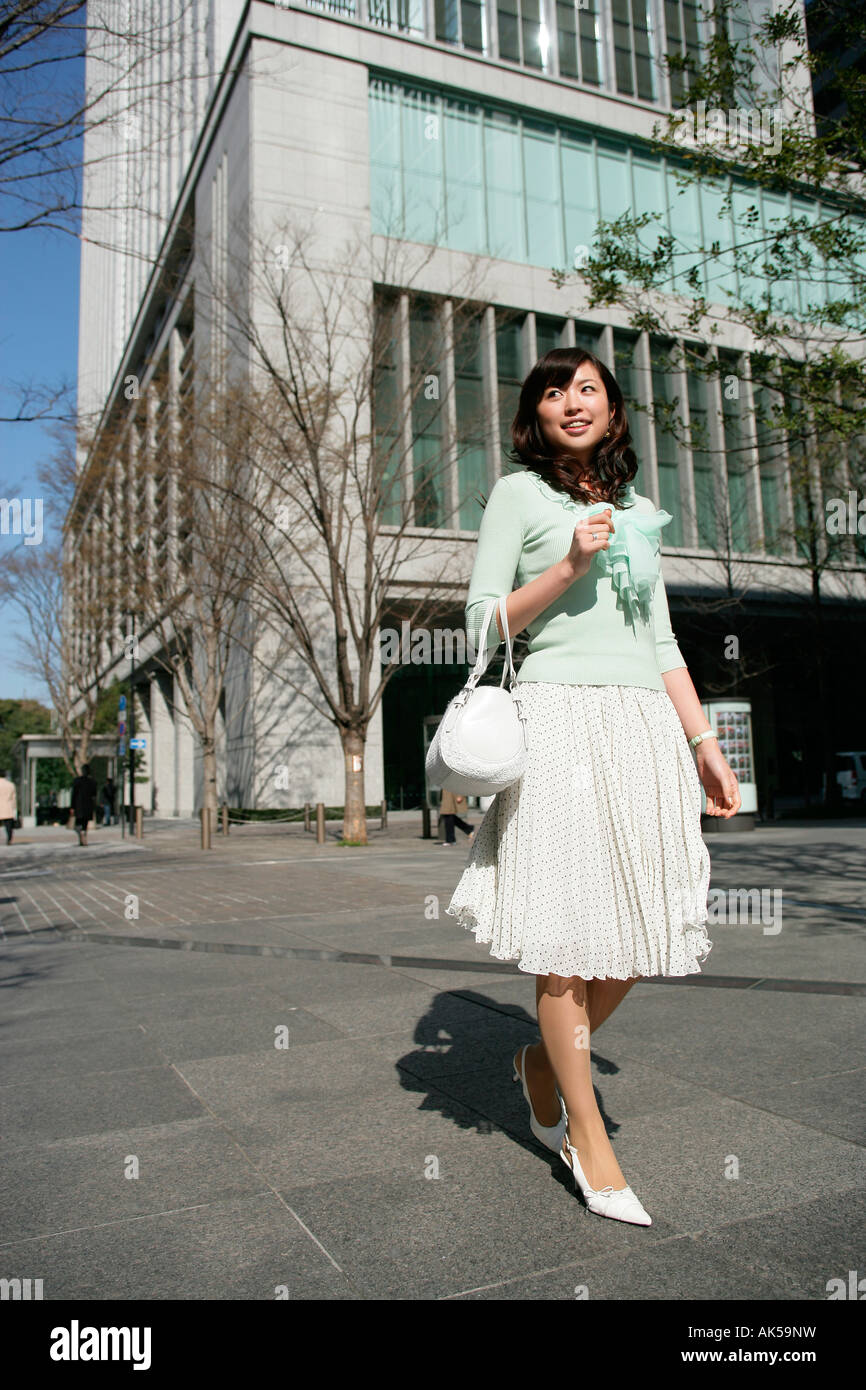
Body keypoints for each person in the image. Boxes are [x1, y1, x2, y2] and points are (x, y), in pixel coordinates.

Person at [446, 347, 740, 1228]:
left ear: (614, 411)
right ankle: (585, 1135)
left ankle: (543, 1065)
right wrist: (568, 566)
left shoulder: (641, 513)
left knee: (652, 917)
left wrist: (703, 741)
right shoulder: (517, 496)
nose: (570, 402)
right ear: (534, 413)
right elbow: (480, 621)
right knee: (568, 936)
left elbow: (661, 644)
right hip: (559, 720)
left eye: (588, 390)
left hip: (643, 728)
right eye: (552, 391)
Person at [69, 763, 99, 846]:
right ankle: (83, 835)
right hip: (88, 805)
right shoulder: (93, 782)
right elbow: (94, 795)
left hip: (79, 805)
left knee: (78, 823)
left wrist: (72, 807)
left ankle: (81, 835)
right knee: (85, 823)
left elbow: (74, 794)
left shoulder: (77, 781)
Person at [0, 769, 17, 845]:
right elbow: (13, 798)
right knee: (8, 826)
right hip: (8, 807)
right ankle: (9, 839)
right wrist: (14, 808)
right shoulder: (10, 785)